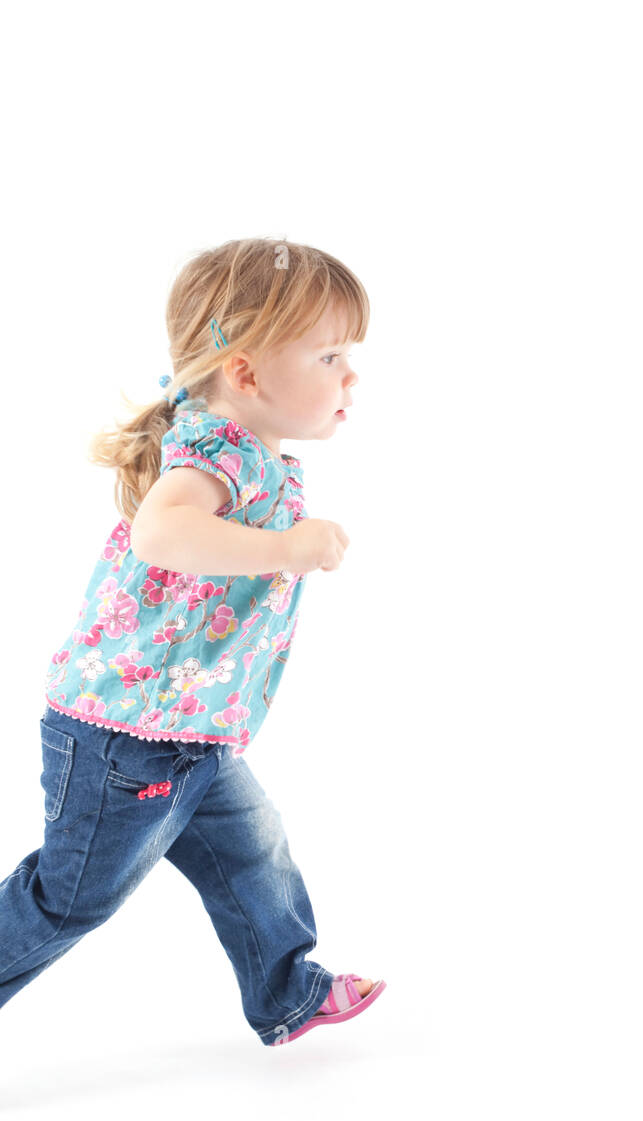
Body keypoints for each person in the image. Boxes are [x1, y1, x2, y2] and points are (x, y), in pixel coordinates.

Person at [0, 237, 386, 1049]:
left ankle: (287, 991)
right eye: (329, 355)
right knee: (72, 898)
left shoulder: (255, 454)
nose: (351, 375)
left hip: (190, 731)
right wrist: (286, 548)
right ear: (246, 374)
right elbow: (161, 532)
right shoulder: (214, 451)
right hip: (124, 740)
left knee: (254, 853)